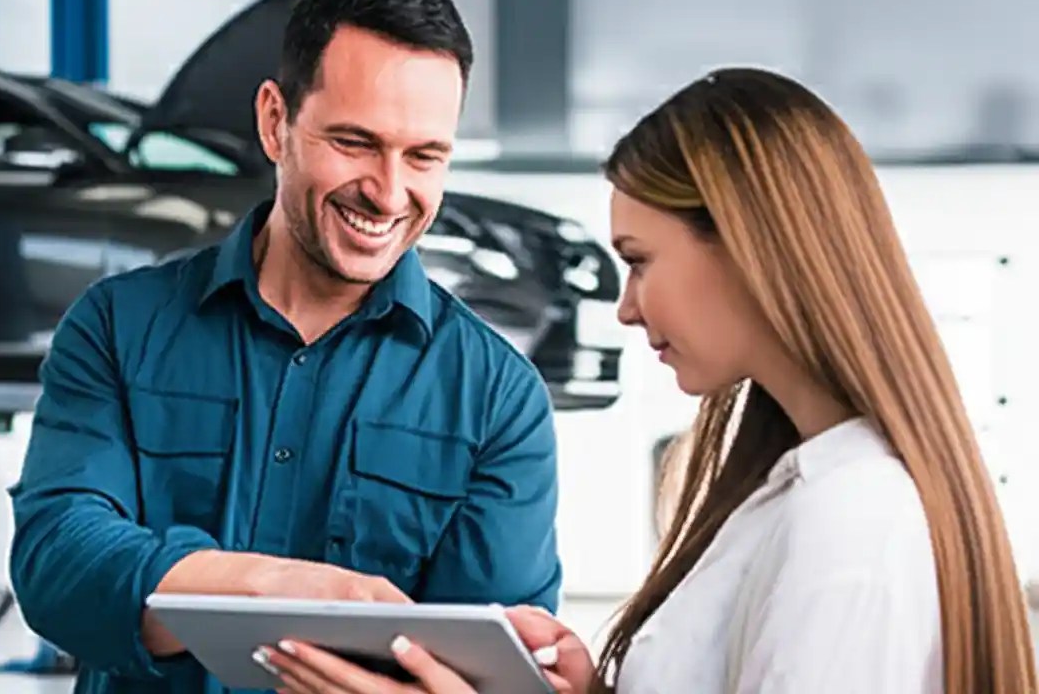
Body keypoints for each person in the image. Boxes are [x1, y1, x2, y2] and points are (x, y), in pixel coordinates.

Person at [262, 68, 1039, 693]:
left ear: (748, 246)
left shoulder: (852, 519)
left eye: (639, 260)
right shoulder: (795, 490)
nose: (628, 309)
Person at [6, 0, 563, 692]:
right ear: (275, 121)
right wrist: (275, 590)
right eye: (355, 142)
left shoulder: (497, 401)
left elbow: (486, 670)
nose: (390, 193)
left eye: (424, 156)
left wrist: (190, 584)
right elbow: (59, 569)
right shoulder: (118, 326)